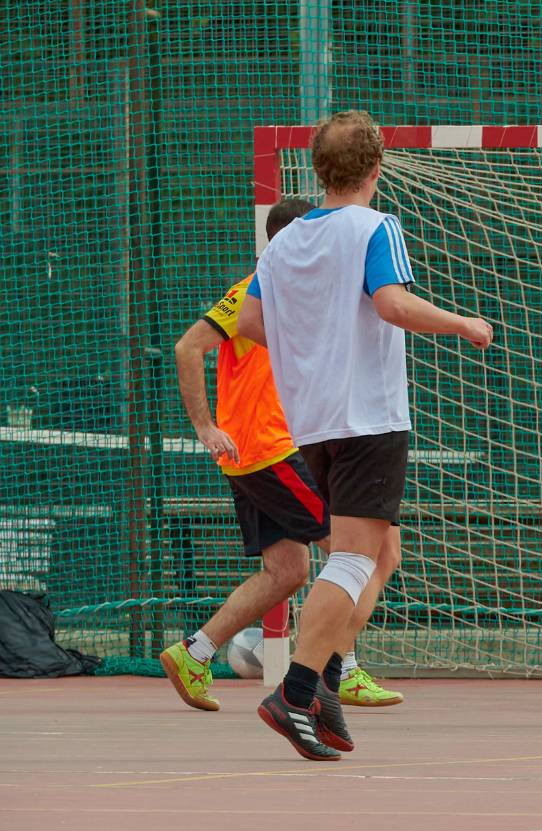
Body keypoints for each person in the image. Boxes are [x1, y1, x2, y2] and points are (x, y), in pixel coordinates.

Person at [239, 110, 493, 759]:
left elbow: (249, 319)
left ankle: (322, 686)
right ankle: (294, 691)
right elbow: (392, 304)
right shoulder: (377, 226)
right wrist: (463, 322)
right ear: (375, 170)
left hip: (313, 421)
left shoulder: (287, 239)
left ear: (318, 169)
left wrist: (311, 348)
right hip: (368, 416)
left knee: (371, 555)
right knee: (356, 559)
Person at [160, 198, 403, 712]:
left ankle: (194, 652)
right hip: (270, 450)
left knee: (288, 571)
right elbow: (188, 347)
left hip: (263, 452)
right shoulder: (254, 291)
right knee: (366, 551)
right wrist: (205, 426)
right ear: (290, 241)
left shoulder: (300, 294)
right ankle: (343, 669)